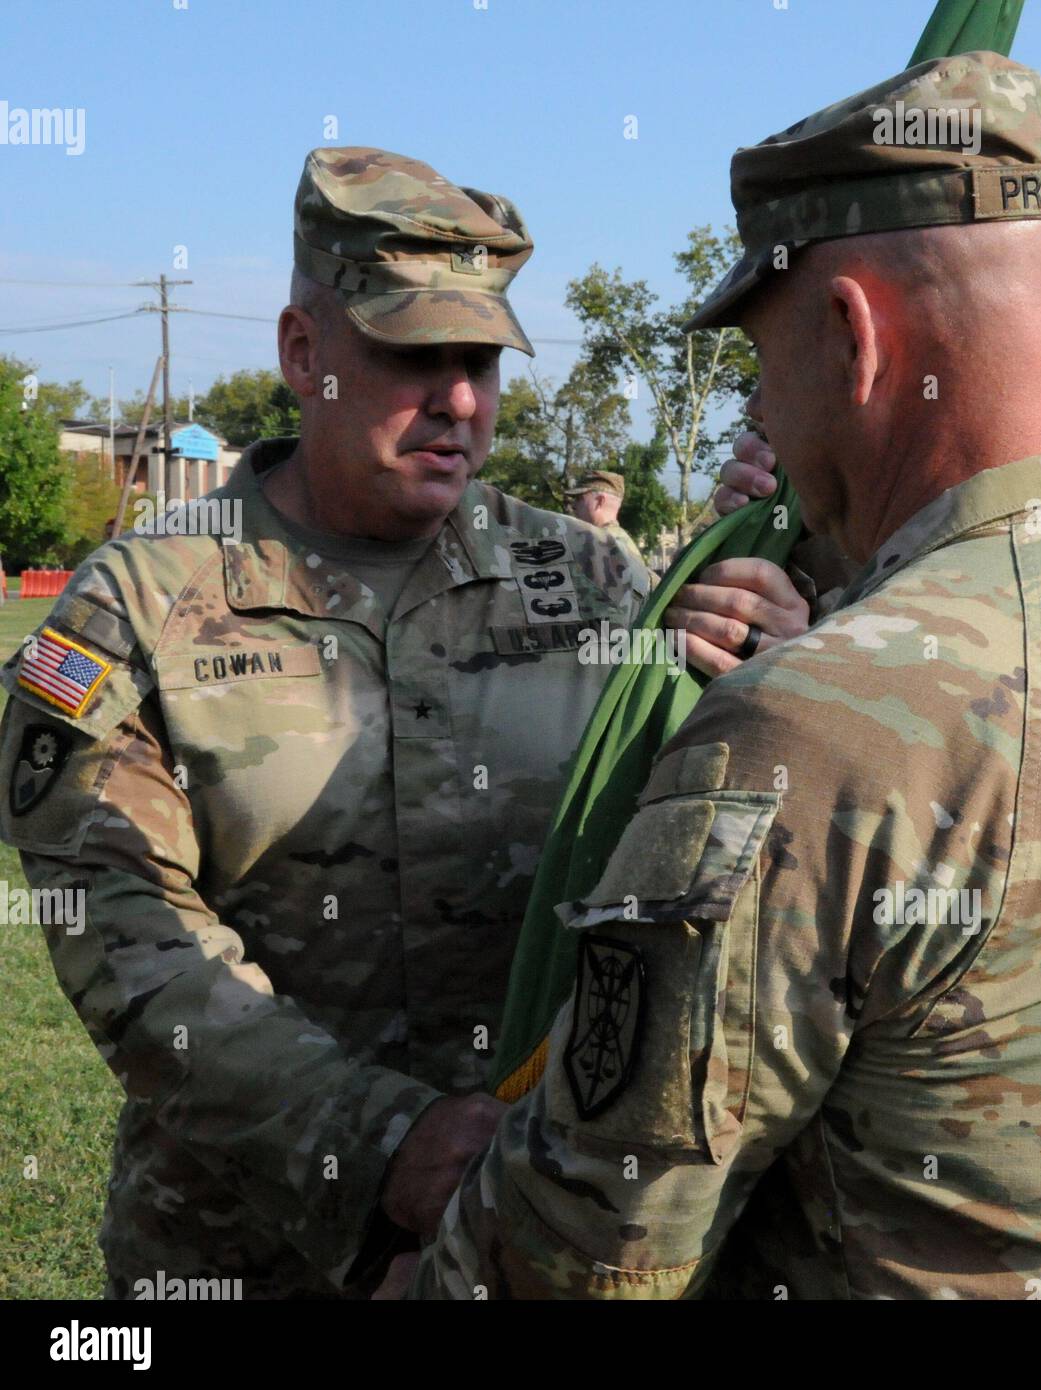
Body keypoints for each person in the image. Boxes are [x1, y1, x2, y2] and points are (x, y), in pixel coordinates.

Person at [410, 52, 1041, 1300]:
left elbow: (579, 1255)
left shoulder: (816, 729)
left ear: (854, 338)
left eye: (765, 365)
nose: (768, 412)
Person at [0, 146, 807, 1298]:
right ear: (301, 352)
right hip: (241, 1252)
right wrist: (387, 1145)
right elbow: (128, 943)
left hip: (520, 1245)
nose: (461, 399)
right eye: (411, 356)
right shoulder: (137, 610)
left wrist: (752, 672)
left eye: (479, 358)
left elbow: (675, 864)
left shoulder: (582, 579)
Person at [564, 469, 649, 573]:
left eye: (579, 498)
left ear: (600, 501)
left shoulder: (597, 545)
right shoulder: (622, 541)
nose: (574, 505)